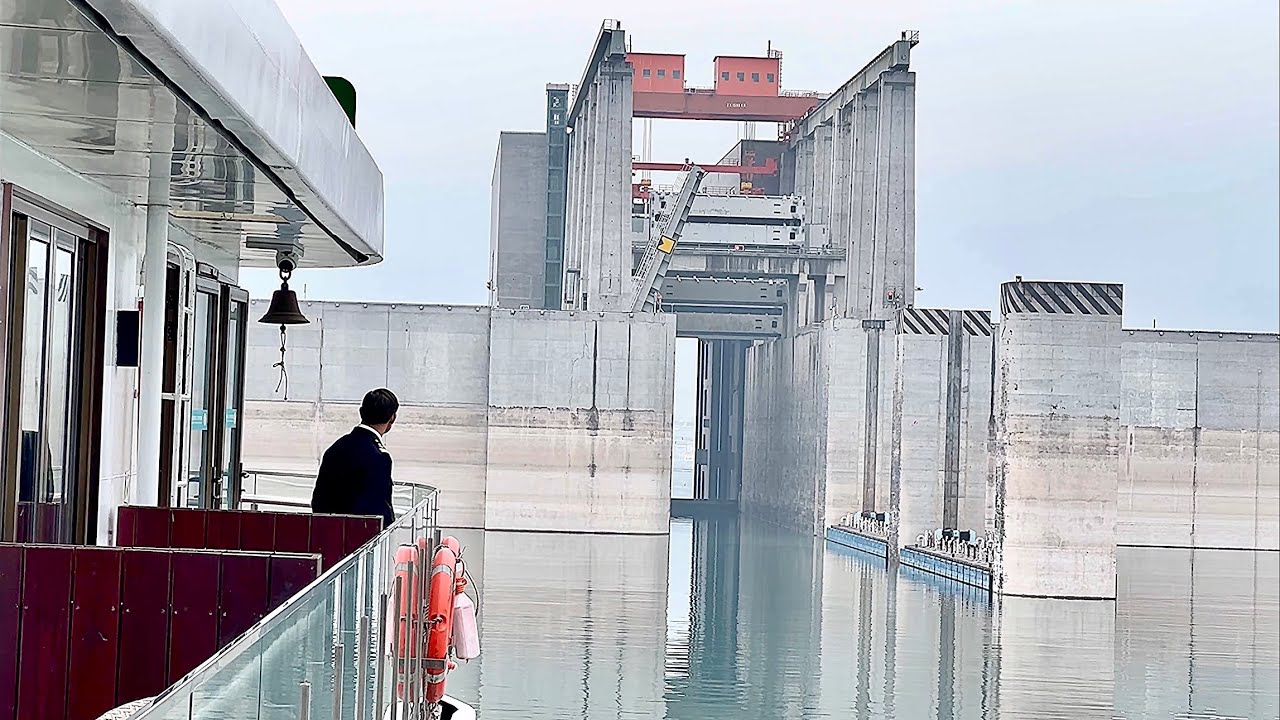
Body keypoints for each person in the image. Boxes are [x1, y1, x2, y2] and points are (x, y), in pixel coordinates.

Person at [311, 388, 398, 528]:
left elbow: (319, 499)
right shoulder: (379, 456)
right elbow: (379, 507)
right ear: (392, 418)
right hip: (359, 537)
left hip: (328, 530)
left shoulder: (336, 447)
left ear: (361, 412)